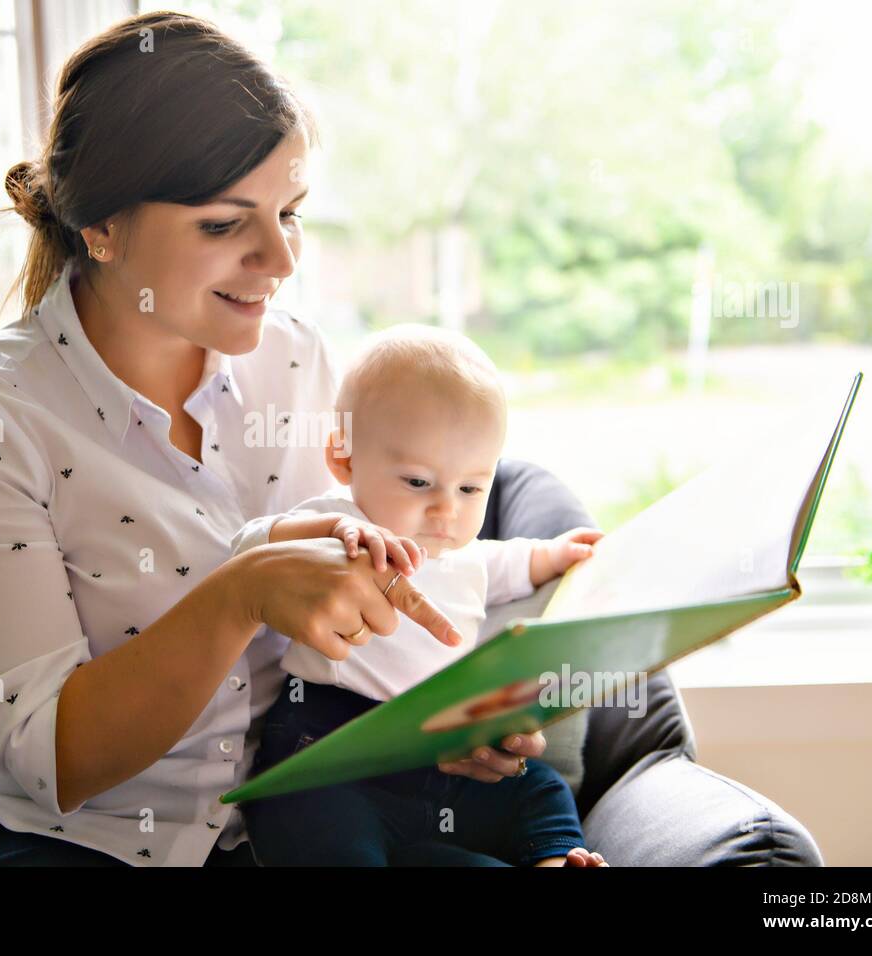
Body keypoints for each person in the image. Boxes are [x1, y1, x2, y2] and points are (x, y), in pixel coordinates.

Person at [0, 11, 553, 867]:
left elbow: (345, 644)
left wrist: (430, 727)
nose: (280, 259)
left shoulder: (300, 360)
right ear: (99, 228)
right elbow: (53, 763)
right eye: (223, 224)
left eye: (291, 212)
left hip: (287, 823)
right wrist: (239, 590)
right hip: (47, 838)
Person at [231, 325, 608, 866]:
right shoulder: (341, 525)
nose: (446, 511)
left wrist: (556, 554)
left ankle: (553, 858)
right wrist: (325, 538)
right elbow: (245, 548)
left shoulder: (466, 554)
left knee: (540, 787)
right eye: (417, 482)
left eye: (471, 488)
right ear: (344, 459)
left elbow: (514, 564)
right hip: (330, 752)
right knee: (312, 819)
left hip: (444, 760)